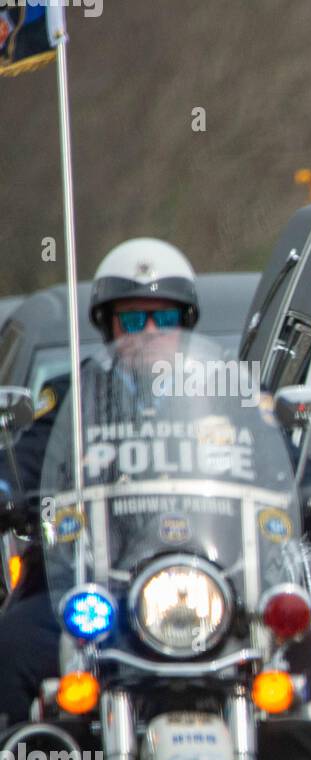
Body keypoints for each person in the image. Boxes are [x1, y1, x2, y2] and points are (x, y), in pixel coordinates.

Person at [0, 239, 203, 727]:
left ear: (185, 324)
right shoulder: (72, 397)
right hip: (92, 585)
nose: (150, 332)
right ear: (110, 327)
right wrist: (6, 492)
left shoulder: (227, 391)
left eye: (165, 318)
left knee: (292, 630)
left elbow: (286, 457)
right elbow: (21, 461)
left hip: (207, 583)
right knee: (12, 645)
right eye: (133, 319)